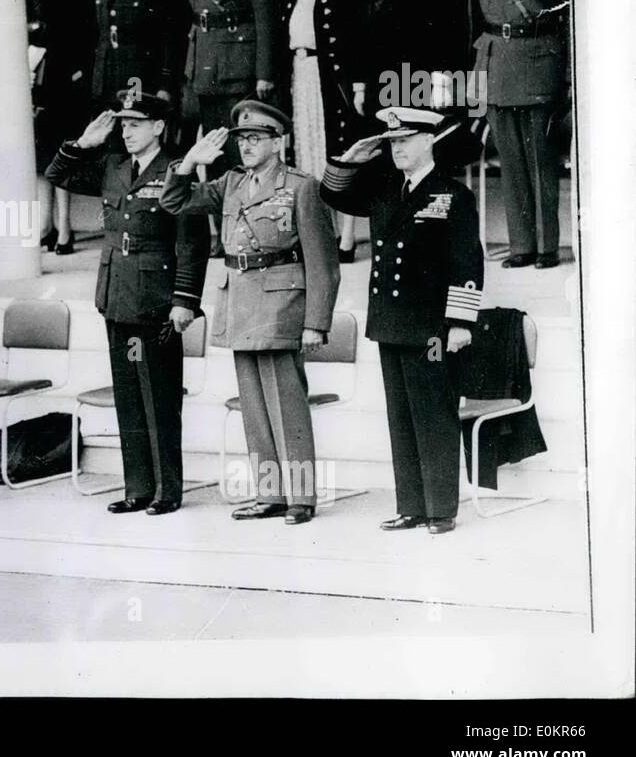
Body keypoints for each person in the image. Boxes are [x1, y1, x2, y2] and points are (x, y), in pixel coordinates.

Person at [162, 101, 339, 523]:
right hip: (239, 300)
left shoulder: (301, 186)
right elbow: (176, 202)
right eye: (242, 139)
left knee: (286, 404)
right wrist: (189, 161)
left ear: (279, 142)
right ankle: (270, 494)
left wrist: (316, 322)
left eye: (256, 138)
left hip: (281, 301)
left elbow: (323, 262)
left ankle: (300, 498)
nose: (246, 146)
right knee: (254, 404)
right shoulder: (231, 183)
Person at [44, 91, 209, 516]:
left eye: (136, 123)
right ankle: (137, 486)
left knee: (160, 396)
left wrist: (185, 299)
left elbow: (192, 243)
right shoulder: (113, 167)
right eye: (123, 124)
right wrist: (83, 144)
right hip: (117, 294)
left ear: (158, 126)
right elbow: (57, 173)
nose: (127, 131)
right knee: (129, 395)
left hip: (157, 300)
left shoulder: (176, 171)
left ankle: (167, 490)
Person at [320, 107, 484, 534]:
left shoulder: (451, 195)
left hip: (430, 326)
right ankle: (411, 506)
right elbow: (333, 194)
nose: (397, 149)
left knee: (432, 416)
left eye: (406, 140)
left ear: (429, 140)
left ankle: (441, 509)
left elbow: (468, 261)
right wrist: (351, 158)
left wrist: (461, 323)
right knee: (401, 418)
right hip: (390, 321)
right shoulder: (385, 188)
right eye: (392, 142)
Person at [421, 0, 570, 269]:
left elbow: (548, 2)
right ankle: (521, 246)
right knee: (511, 161)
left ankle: (546, 246)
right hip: (496, 66)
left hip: (537, 62)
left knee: (540, 159)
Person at [139, 0, 276, 216]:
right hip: (203, 68)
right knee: (214, 155)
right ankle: (225, 224)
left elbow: (265, 17)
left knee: (240, 153)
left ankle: (250, 222)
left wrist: (265, 73)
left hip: (237, 67)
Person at [280, 0, 366, 261]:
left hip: (329, 77)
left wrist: (358, 85)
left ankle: (346, 236)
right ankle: (317, 232)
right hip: (301, 74)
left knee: (338, 152)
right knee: (307, 153)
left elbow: (357, 40)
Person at [19, 0, 76, 255]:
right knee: (37, 149)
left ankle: (66, 226)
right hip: (23, 64)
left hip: (55, 63)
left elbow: (71, 19)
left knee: (60, 146)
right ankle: (45, 223)